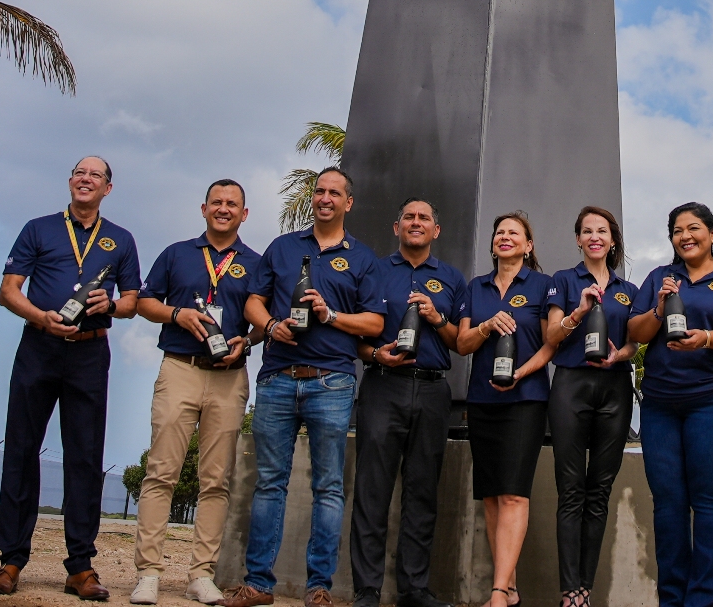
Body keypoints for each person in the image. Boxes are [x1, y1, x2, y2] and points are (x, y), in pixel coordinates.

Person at [0, 156, 141, 601]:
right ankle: (11, 560)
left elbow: (132, 301)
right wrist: (41, 317)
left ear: (107, 188)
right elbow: (8, 290)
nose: (85, 179)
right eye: (79, 172)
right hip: (39, 346)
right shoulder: (39, 228)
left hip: (90, 353)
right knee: (20, 449)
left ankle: (80, 567)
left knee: (85, 460)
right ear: (70, 182)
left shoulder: (121, 239)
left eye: (95, 175)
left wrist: (108, 307)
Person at [229, 167, 384, 607]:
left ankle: (319, 588)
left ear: (348, 203)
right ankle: (258, 584)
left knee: (328, 487)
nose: (325, 198)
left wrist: (331, 314)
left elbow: (374, 322)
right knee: (269, 483)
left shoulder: (362, 257)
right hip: (278, 378)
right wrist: (272, 325)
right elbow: (253, 301)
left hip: (332, 382)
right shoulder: (282, 248)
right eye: (320, 191)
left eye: (335, 193)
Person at [130, 179, 261, 606]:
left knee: (216, 480)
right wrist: (176, 312)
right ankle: (148, 571)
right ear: (203, 208)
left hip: (228, 377)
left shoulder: (256, 263)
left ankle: (200, 573)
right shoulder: (176, 253)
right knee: (160, 472)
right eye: (217, 202)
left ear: (245, 214)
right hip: (180, 369)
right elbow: (143, 303)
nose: (224, 209)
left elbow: (266, 319)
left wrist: (250, 340)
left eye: (233, 204)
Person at [628, 203, 713, 607]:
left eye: (694, 228)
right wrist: (659, 308)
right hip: (662, 402)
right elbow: (637, 332)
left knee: (709, 498)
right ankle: (671, 599)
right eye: (677, 231)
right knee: (668, 503)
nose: (685, 236)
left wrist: (707, 338)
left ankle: (702, 600)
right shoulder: (660, 278)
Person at [349, 198, 466, 607]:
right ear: (396, 226)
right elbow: (357, 339)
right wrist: (375, 355)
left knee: (422, 491)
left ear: (437, 230)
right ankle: (366, 589)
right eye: (409, 218)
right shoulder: (373, 271)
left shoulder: (452, 278)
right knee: (372, 489)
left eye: (425, 218)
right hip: (383, 385)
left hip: (434, 389)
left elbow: (460, 343)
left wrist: (437, 318)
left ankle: (414, 589)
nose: (416, 223)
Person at [456, 212, 558, 607]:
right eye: (500, 233)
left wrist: (522, 373)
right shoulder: (475, 287)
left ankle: (497, 592)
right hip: (482, 401)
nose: (505, 237)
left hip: (526, 399)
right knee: (493, 497)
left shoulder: (543, 286)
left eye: (514, 233)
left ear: (528, 246)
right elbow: (463, 343)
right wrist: (485, 327)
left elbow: (551, 343)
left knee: (514, 493)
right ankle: (510, 587)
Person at [543, 206, 639, 607]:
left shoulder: (628, 291)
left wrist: (622, 356)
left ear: (612, 240)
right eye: (587, 231)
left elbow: (636, 342)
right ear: (578, 239)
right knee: (571, 490)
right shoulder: (563, 281)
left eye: (603, 230)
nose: (595, 236)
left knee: (599, 490)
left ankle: (585, 587)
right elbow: (550, 335)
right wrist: (580, 310)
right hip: (571, 385)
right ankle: (570, 591)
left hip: (615, 387)